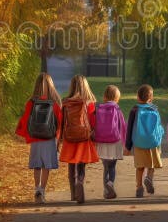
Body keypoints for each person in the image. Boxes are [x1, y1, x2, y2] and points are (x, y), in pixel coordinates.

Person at [15, 73, 63, 204]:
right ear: (51, 86)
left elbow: (25, 120)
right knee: (46, 166)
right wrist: (58, 139)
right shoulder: (54, 103)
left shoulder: (31, 102)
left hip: (36, 139)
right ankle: (42, 190)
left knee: (37, 165)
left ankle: (36, 188)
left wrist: (24, 134)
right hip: (49, 139)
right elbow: (59, 121)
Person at [58, 75, 98, 204]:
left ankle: (73, 193)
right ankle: (80, 181)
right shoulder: (89, 103)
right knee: (81, 165)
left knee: (71, 165)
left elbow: (61, 122)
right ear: (86, 86)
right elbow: (93, 122)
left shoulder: (65, 102)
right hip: (84, 138)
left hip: (69, 137)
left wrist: (59, 139)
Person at [124, 84, 164, 198]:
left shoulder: (134, 110)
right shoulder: (154, 109)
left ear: (137, 97)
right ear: (151, 98)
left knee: (140, 167)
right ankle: (149, 178)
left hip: (139, 142)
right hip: (152, 143)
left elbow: (130, 129)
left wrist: (128, 146)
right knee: (151, 165)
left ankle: (139, 187)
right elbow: (159, 127)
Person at [93, 85, 127, 199]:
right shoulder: (116, 108)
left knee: (106, 167)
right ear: (117, 98)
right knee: (112, 167)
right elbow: (122, 126)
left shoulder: (99, 108)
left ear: (105, 96)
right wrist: (124, 142)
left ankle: (106, 191)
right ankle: (110, 183)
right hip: (114, 141)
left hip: (102, 141)